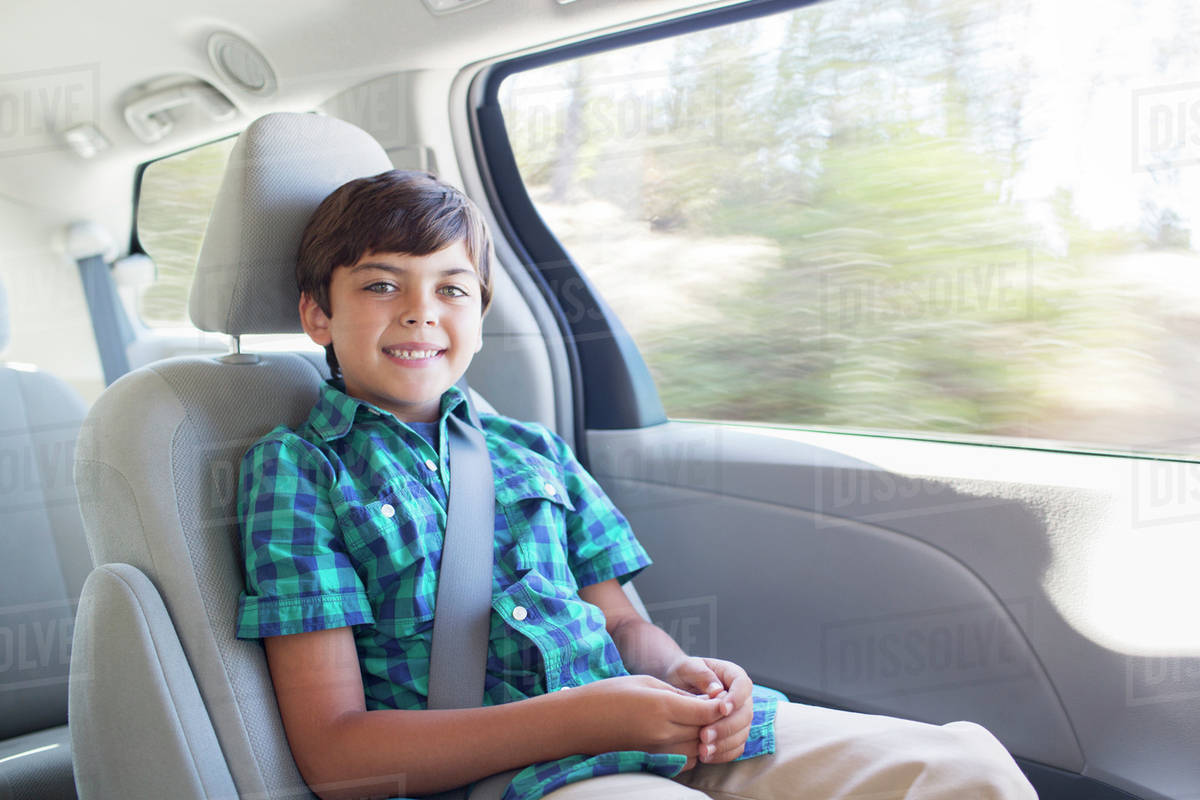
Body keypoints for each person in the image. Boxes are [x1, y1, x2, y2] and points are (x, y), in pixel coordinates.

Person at [235, 169, 1038, 800]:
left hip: (650, 725)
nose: (419, 312)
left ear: (478, 316)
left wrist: (681, 672)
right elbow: (337, 753)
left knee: (962, 769)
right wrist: (591, 716)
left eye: (450, 289)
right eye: (381, 285)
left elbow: (621, 627)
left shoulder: (531, 452)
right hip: (514, 776)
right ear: (318, 315)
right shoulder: (300, 470)